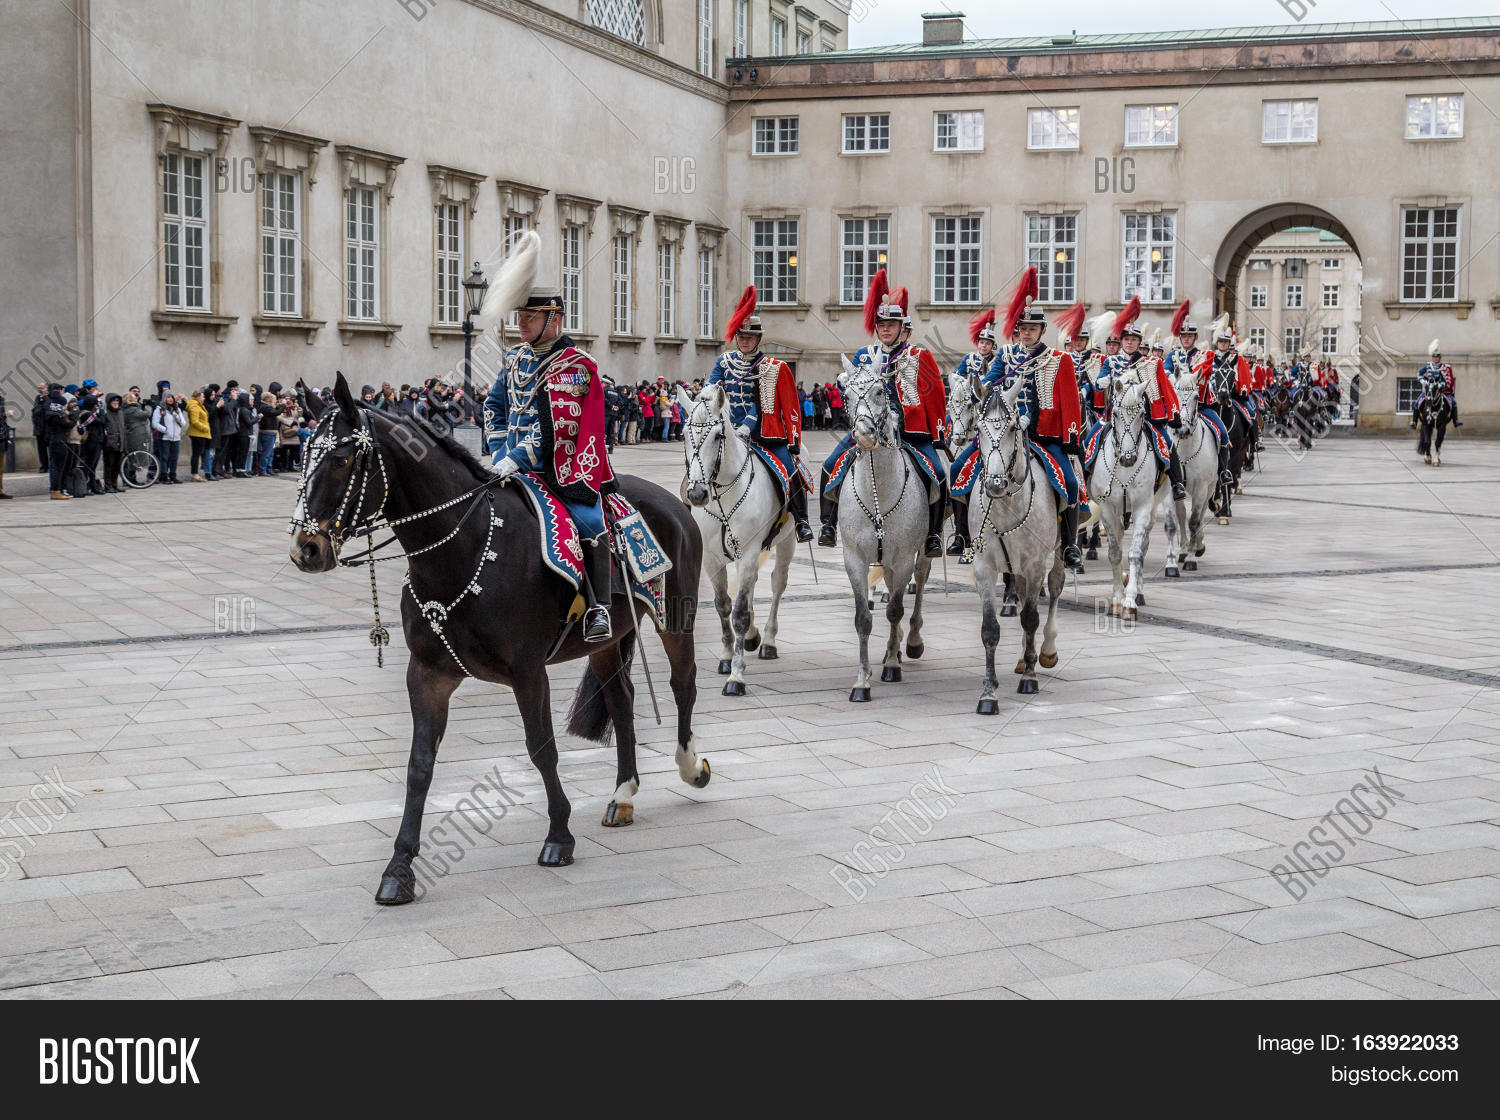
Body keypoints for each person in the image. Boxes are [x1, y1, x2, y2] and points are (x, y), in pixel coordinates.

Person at [484, 257, 618, 643]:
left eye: (530, 317)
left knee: (589, 521)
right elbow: (494, 407)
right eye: (519, 316)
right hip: (508, 465)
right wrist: (499, 454)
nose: (521, 324)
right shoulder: (515, 359)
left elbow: (557, 428)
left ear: (554, 320)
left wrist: (516, 459)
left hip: (561, 468)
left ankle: (599, 607)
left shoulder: (576, 366)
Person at [818, 270, 946, 556]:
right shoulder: (863, 356)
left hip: (911, 433)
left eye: (892, 325)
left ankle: (933, 535)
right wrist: (843, 383)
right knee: (829, 465)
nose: (886, 330)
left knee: (937, 473)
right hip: (868, 430)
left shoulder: (918, 356)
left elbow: (935, 397)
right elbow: (851, 391)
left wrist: (937, 434)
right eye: (882, 325)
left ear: (901, 327)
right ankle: (828, 525)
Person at [982, 268, 1086, 570]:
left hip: (1045, 437)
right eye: (1023, 329)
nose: (1026, 333)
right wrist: (983, 390)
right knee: (962, 468)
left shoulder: (1059, 359)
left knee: (1069, 483)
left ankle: (1069, 544)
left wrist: (1070, 440)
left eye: (1032, 329)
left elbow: (1071, 404)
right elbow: (989, 383)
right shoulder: (1005, 356)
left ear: (1042, 330)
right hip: (1005, 434)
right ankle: (963, 535)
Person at [706, 285, 814, 542]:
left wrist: (749, 424)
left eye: (750, 337)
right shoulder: (724, 362)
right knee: (699, 463)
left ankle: (801, 521)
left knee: (790, 470)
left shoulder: (770, 367)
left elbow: (767, 403)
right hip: (727, 429)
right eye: (741, 337)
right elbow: (712, 389)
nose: (745, 341)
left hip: (764, 435)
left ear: (758, 339)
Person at [1101, 296, 1186, 500]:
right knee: (1091, 441)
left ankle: (1177, 483)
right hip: (1116, 417)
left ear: (1139, 342)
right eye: (1126, 339)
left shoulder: (1152, 363)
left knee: (1167, 444)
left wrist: (1173, 414)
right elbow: (1098, 382)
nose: (1130, 343)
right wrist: (1100, 382)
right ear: (1121, 341)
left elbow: (1167, 390)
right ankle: (1086, 481)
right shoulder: (1110, 362)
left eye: (1134, 340)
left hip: (1146, 417)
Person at [945, 306, 999, 557]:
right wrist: (961, 385)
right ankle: (960, 533)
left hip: (989, 417)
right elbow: (956, 378)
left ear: (993, 345)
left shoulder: (999, 362)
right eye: (981, 342)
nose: (983, 346)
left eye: (987, 343)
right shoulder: (969, 360)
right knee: (950, 422)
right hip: (967, 411)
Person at [1164, 301, 1232, 492]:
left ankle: (1224, 471)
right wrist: (1171, 376)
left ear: (1195, 337)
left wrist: (1189, 375)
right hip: (1178, 409)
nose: (1186, 339)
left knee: (1222, 433)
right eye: (1184, 336)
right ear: (1180, 337)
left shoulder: (1205, 354)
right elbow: (1165, 370)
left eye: (1190, 336)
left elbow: (1206, 369)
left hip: (1202, 406)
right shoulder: (1172, 356)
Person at [1412, 340, 1460, 428]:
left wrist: (1441, 385)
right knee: (1417, 403)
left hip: (1440, 391)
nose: (1435, 359)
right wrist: (1423, 381)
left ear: (1440, 358)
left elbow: (1445, 380)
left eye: (1437, 357)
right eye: (1434, 357)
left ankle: (1455, 421)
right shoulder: (1428, 366)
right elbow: (1419, 373)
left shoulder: (1444, 367)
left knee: (1453, 402)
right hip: (1429, 390)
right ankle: (1414, 422)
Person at [152, 393, 186, 483]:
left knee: (174, 458)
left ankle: (173, 476)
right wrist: (165, 430)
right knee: (164, 457)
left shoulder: (177, 409)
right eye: (168, 397)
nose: (170, 399)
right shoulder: (159, 409)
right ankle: (163, 476)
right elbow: (154, 423)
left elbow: (183, 423)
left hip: (176, 438)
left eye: (171, 397)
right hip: (164, 437)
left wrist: (176, 416)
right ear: (164, 399)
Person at [185, 388, 211, 481]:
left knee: (197, 454)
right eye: (203, 397)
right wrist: (205, 428)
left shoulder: (198, 405)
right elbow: (194, 421)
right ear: (198, 397)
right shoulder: (194, 406)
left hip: (201, 434)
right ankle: (195, 475)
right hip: (197, 434)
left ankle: (195, 474)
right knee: (196, 454)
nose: (204, 398)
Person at [102, 393, 126, 492]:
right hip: (110, 443)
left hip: (120, 442)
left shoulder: (120, 412)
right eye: (113, 401)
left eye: (117, 401)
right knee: (109, 466)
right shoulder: (106, 413)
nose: (116, 402)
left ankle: (114, 484)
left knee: (117, 466)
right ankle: (108, 486)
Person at [0, 387, 12, 499]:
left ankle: (0, 490)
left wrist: (6, 437)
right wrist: (6, 414)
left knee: (1, 467)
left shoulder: (1, 402)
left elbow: (3, 423)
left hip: (2, 438)